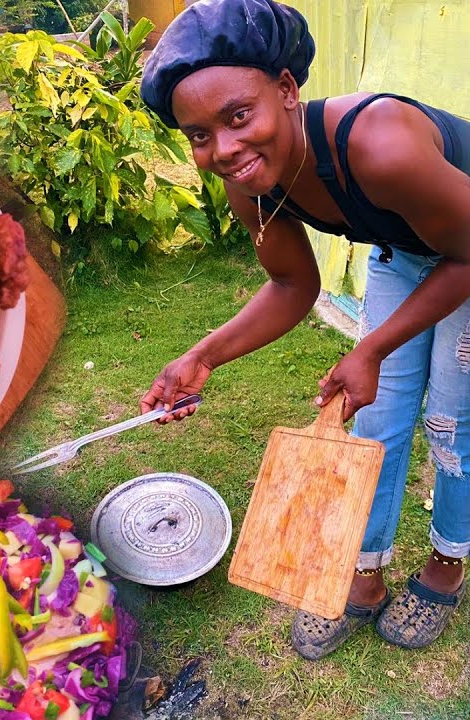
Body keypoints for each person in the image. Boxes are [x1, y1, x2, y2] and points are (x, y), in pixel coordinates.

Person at [138, 0, 470, 659]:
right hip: (408, 252)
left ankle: (447, 565)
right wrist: (202, 358)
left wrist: (370, 346)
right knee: (373, 422)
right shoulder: (249, 180)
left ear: (287, 91)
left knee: (452, 423)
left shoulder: (380, 144)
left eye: (238, 116)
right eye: (198, 135)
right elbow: (294, 286)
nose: (223, 148)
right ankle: (364, 573)